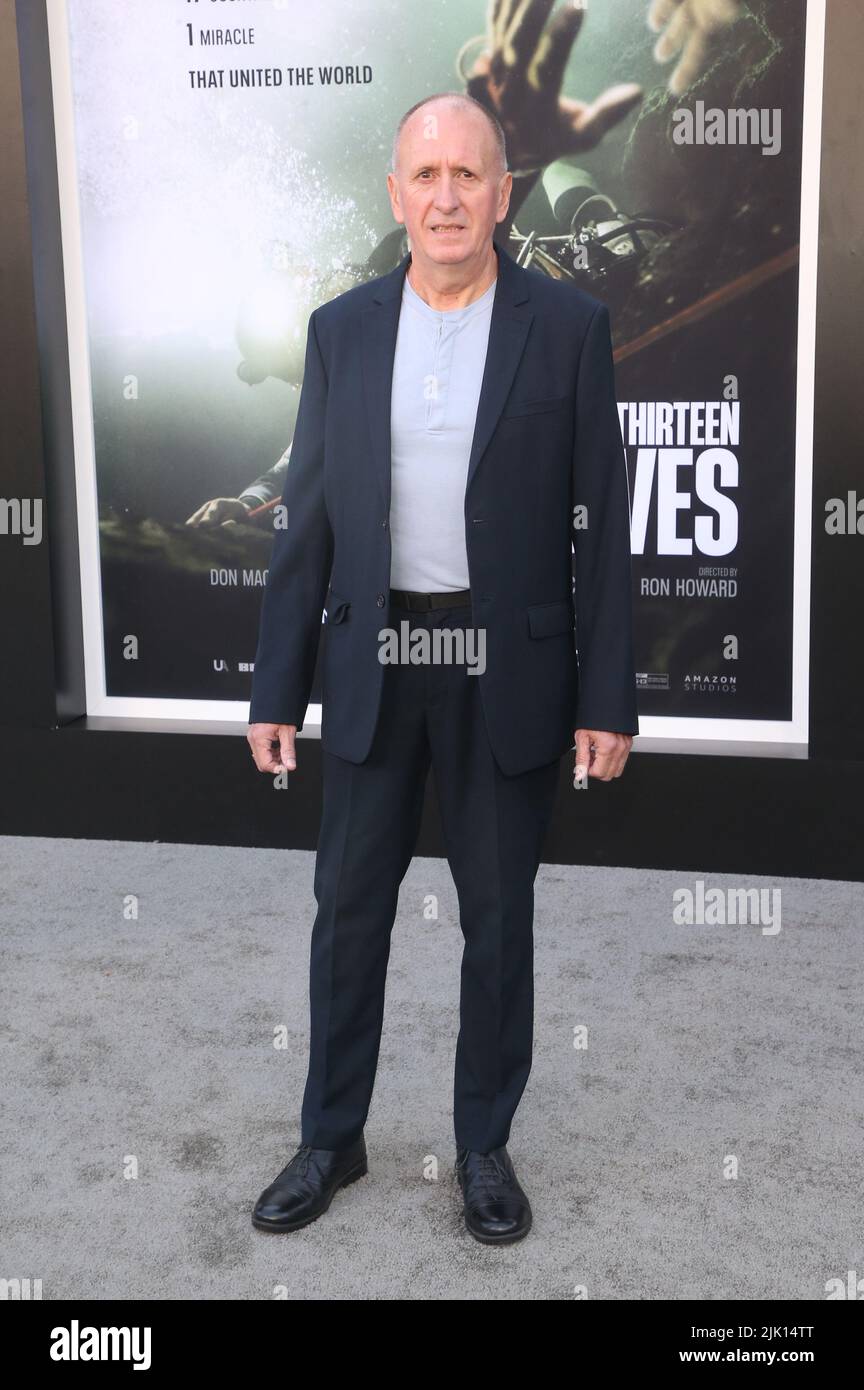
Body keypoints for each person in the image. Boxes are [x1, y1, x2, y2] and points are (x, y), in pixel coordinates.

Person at [247, 91, 638, 1245]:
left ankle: (483, 1148)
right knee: (347, 911)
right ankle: (331, 1138)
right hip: (377, 655)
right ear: (397, 196)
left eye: (470, 175)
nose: (448, 196)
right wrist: (278, 685)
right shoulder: (343, 330)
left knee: (497, 920)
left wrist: (607, 696)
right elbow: (303, 522)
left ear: (504, 193)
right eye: (427, 176)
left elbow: (603, 529)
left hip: (502, 665)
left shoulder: (567, 326)